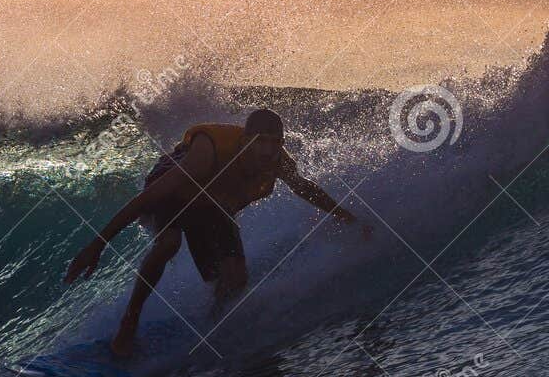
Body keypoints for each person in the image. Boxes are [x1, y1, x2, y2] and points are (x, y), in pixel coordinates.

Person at [64, 109, 367, 357]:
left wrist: (349, 219)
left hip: (209, 204)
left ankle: (213, 327)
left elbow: (305, 188)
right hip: (174, 191)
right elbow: (147, 200)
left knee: (236, 279)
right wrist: (97, 245)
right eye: (260, 141)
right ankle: (129, 320)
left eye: (275, 142)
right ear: (245, 139)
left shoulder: (277, 162)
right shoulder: (208, 153)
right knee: (169, 243)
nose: (267, 150)